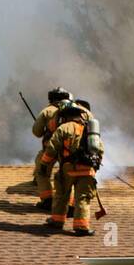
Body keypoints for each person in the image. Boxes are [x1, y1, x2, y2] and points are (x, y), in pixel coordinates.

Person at [43, 100, 102, 236]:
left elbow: (52, 148)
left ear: (66, 116)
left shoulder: (64, 128)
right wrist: (95, 167)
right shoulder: (90, 130)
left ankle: (57, 221)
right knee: (82, 198)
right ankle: (81, 227)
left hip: (68, 169)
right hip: (87, 169)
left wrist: (44, 164)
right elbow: (100, 149)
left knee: (62, 195)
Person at [32, 87, 72, 211]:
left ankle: (47, 200)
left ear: (51, 98)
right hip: (69, 150)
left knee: (41, 172)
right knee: (70, 176)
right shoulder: (77, 110)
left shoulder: (47, 111)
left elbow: (37, 132)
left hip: (51, 149)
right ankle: (70, 204)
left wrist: (46, 129)